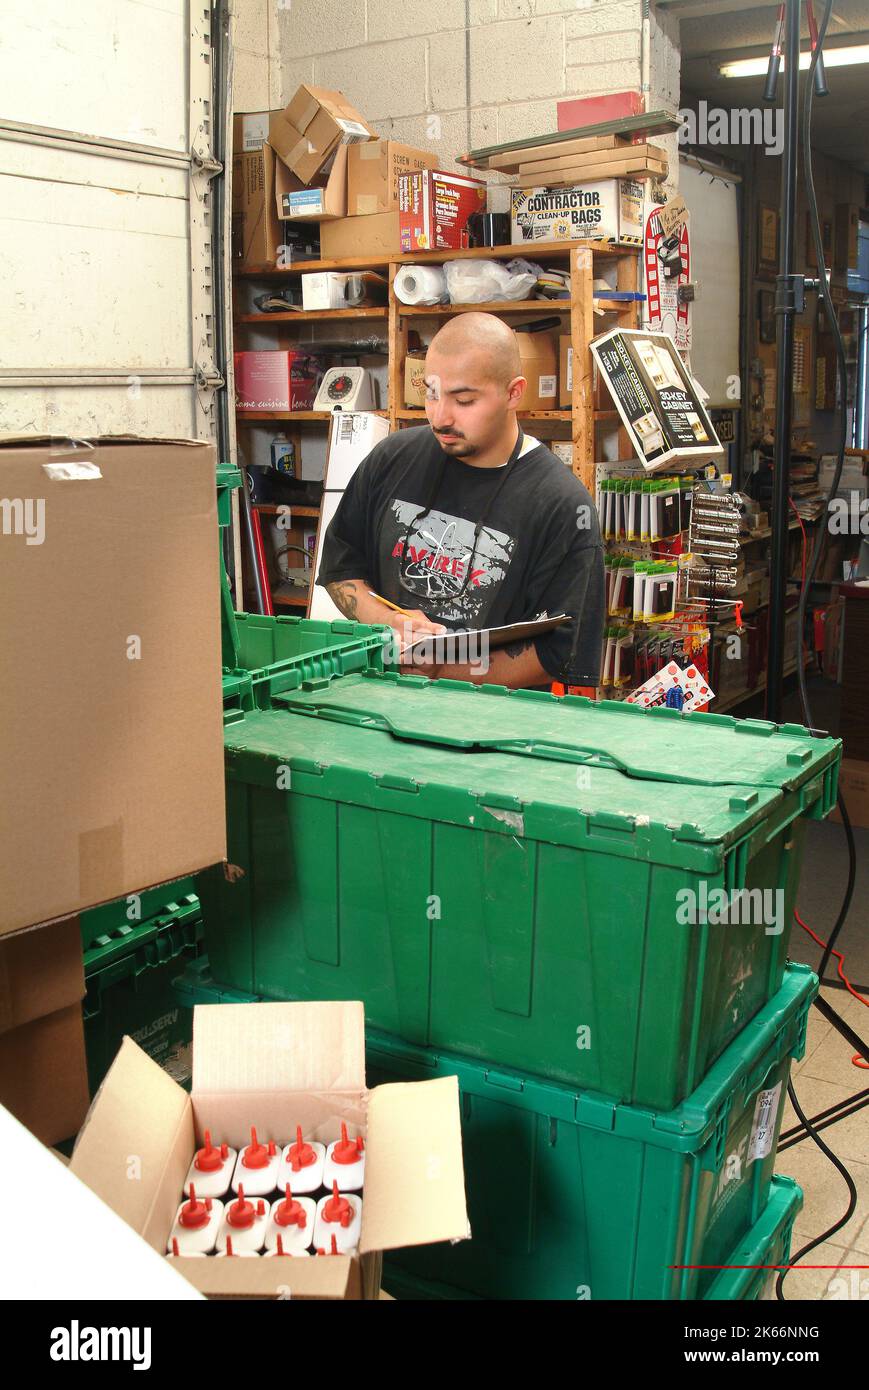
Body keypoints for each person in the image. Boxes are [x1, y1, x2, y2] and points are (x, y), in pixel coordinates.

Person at [317, 311, 604, 689]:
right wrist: (388, 622)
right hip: (379, 706)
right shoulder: (391, 459)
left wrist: (439, 668)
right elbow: (341, 571)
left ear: (513, 393)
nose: (440, 417)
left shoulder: (563, 506)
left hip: (486, 733)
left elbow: (557, 655)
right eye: (432, 394)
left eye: (464, 400)